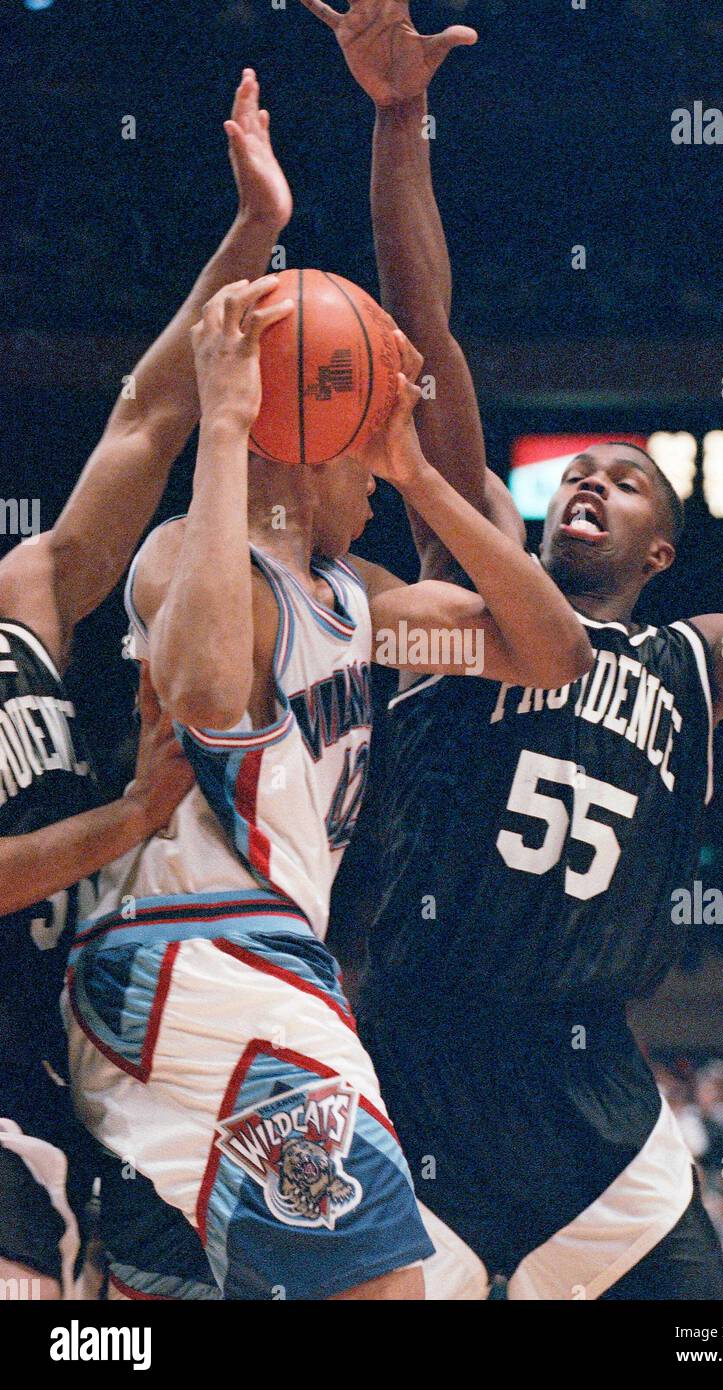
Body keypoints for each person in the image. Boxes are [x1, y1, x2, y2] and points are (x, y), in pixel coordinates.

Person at [305, 0, 723, 1299]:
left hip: (596, 1093)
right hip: (417, 1051)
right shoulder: (472, 568)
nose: (598, 480)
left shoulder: (693, 661)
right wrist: (399, 122)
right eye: (586, 473)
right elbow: (426, 338)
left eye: (628, 479)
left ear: (661, 553)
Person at [64, 256, 593, 1300]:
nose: (370, 485)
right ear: (313, 443)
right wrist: (225, 425)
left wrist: (417, 470)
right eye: (360, 456)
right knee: (392, 1289)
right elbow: (210, 692)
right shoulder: (189, 556)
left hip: (211, 985)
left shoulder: (364, 609)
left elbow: (555, 654)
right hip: (210, 958)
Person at [0, 67, 294, 1299]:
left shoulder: (27, 595)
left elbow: (141, 426)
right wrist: (124, 820)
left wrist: (252, 235)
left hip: (79, 1108)